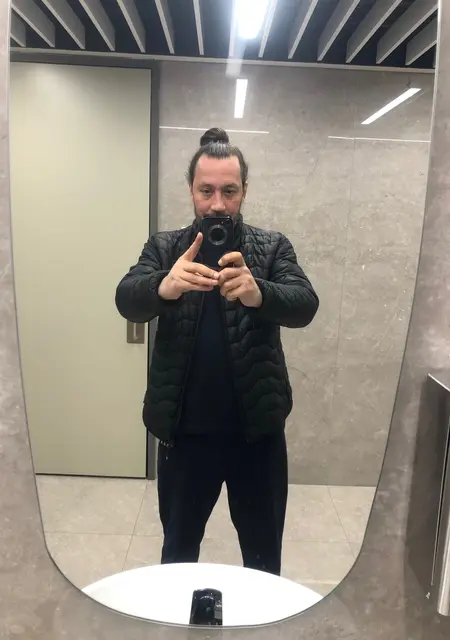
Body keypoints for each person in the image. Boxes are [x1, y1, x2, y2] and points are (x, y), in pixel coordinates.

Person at [115, 127, 319, 576]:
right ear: (191, 190)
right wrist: (163, 285)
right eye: (206, 190)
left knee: (263, 560)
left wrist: (260, 292)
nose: (218, 204)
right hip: (184, 436)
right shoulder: (165, 247)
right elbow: (126, 298)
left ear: (244, 191)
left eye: (229, 191)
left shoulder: (272, 247)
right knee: (177, 555)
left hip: (257, 436)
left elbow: (305, 304)